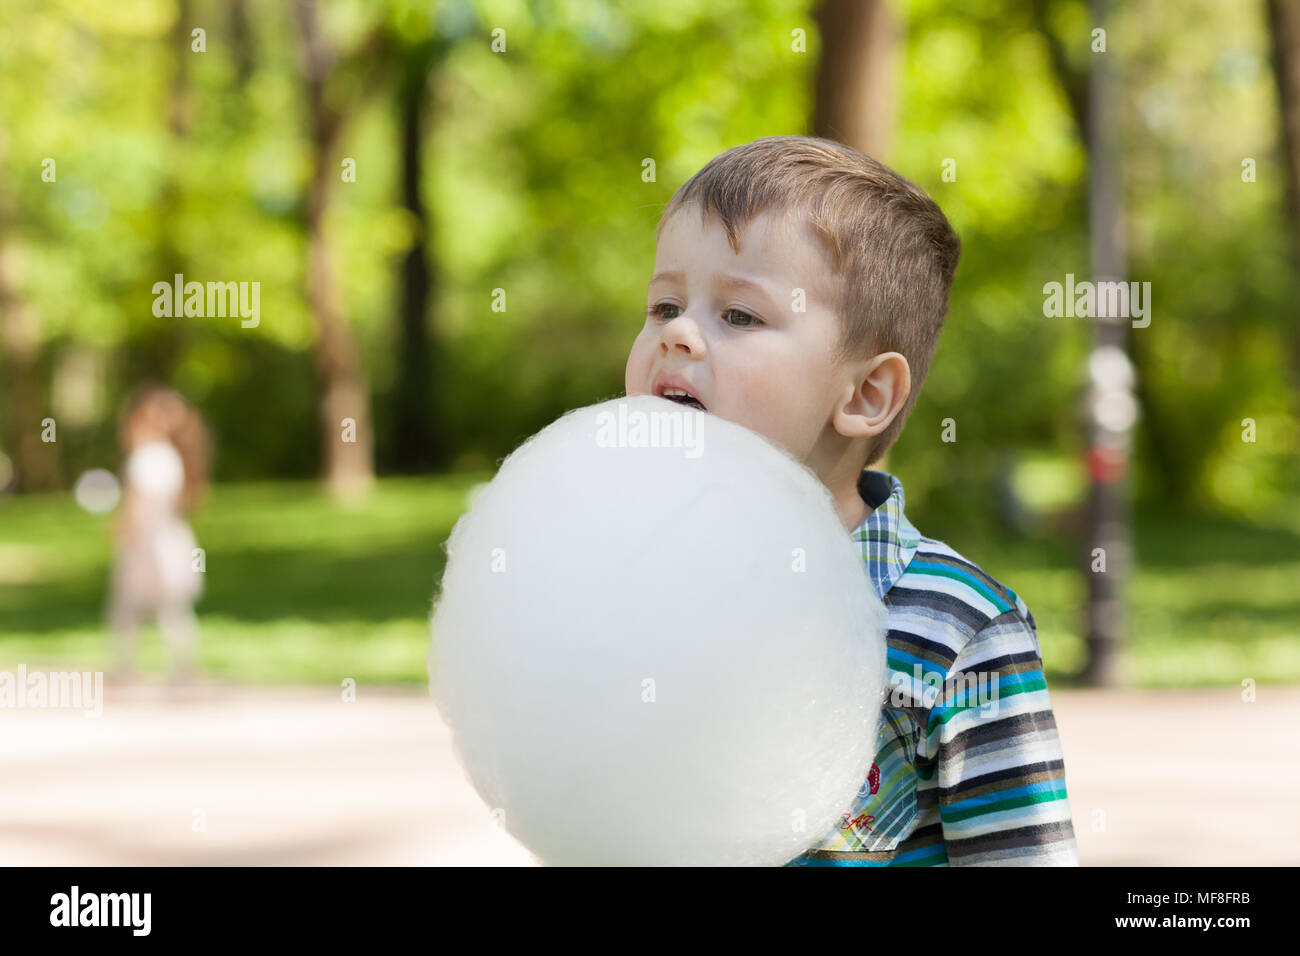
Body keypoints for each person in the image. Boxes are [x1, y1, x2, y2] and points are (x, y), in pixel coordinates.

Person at [624, 135, 1078, 865]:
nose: (677, 334)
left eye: (739, 316)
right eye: (664, 304)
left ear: (866, 394)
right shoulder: (632, 590)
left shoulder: (958, 629)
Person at [107, 385, 211, 684]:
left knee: (128, 605)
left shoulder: (147, 457)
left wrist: (124, 530)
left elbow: (140, 503)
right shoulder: (172, 457)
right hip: (172, 540)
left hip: (149, 544)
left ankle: (126, 666)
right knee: (171, 609)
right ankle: (182, 666)